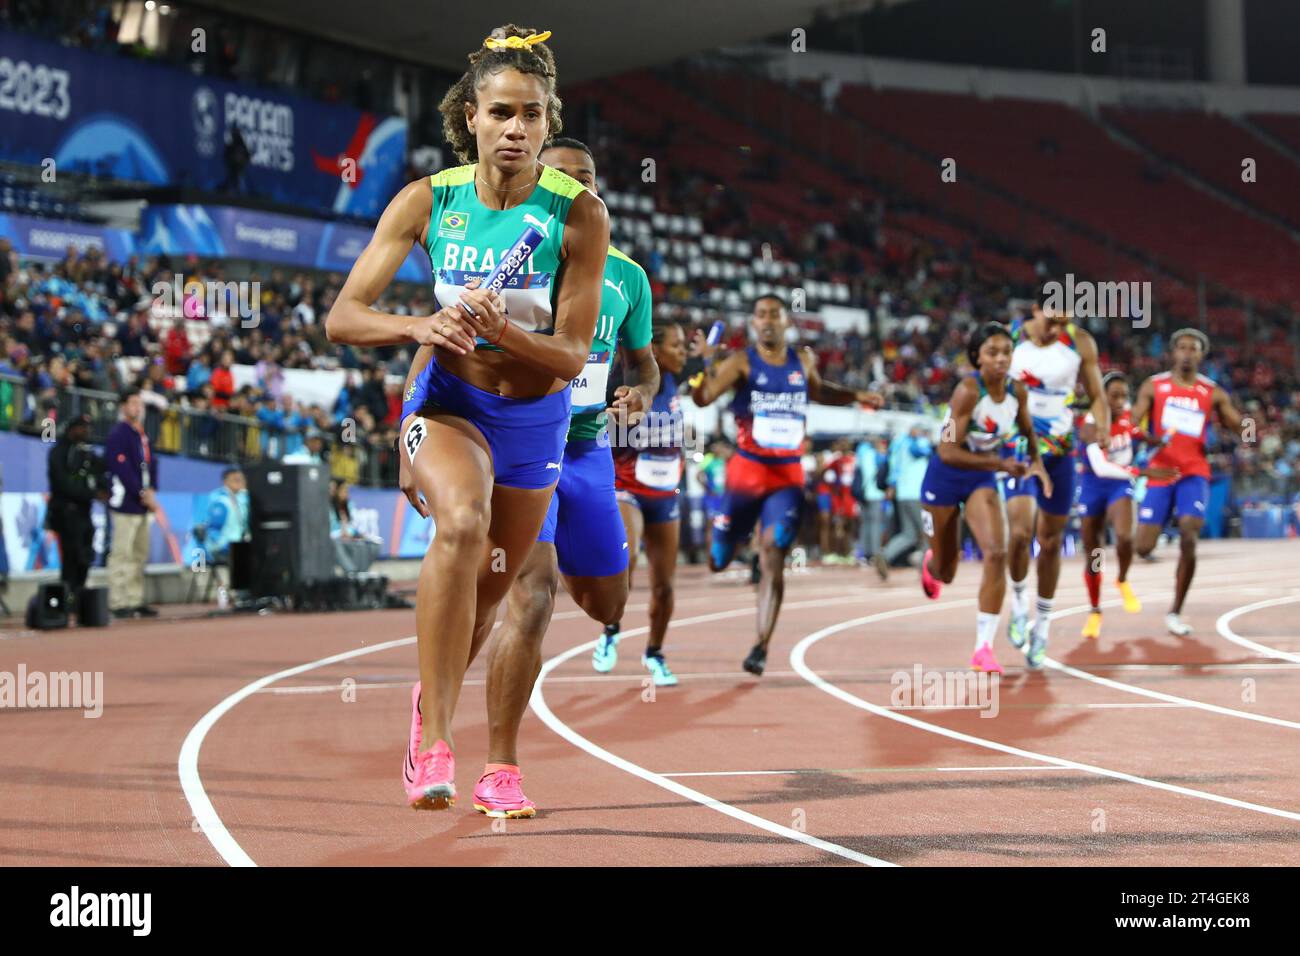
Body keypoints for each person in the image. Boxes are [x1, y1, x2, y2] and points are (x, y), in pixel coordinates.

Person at [326, 24, 609, 812]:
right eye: (502, 113)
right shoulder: (429, 200)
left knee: (493, 596)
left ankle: (463, 728)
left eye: (533, 115)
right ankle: (436, 745)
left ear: (548, 124)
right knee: (459, 522)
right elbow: (344, 317)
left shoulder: (578, 216)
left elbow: (573, 355)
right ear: (471, 118)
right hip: (454, 406)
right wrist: (423, 327)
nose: (517, 129)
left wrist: (505, 330)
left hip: (536, 422)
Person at [691, 294, 883, 675]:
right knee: (718, 561)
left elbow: (820, 390)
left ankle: (761, 645)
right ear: (753, 322)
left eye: (774, 315)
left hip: (787, 475)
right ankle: (733, 544)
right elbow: (703, 397)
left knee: (774, 553)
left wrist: (856, 395)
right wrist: (706, 362)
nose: (767, 322)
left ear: (785, 322)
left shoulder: (803, 359)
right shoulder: (742, 360)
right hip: (747, 472)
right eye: (760, 315)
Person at [917, 322, 1050, 673]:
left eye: (1007, 352)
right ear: (977, 357)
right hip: (944, 479)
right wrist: (999, 462)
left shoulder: (1017, 391)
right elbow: (946, 450)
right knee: (947, 572)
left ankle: (983, 649)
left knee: (997, 551)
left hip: (981, 478)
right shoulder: (966, 392)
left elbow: (1027, 429)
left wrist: (1037, 463)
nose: (1001, 359)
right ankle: (932, 564)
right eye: (993, 352)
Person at [1003, 302, 1107, 669]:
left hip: (1060, 450)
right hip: (1018, 445)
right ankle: (1017, 604)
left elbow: (1096, 393)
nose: (1060, 321)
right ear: (1036, 308)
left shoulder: (1079, 342)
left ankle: (1043, 626)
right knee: (1018, 533)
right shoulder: (1010, 337)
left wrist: (1104, 426)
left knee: (1050, 543)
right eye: (1054, 312)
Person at [1131, 329, 1245, 636]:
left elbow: (1239, 426)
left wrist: (1243, 427)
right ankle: (1156, 529)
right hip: (1160, 471)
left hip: (1194, 471)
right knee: (1142, 546)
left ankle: (1175, 611)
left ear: (1201, 355)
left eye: (1192, 349)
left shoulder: (1213, 392)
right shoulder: (1154, 386)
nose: (1186, 353)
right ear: (1172, 352)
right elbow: (1133, 420)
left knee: (1190, 533)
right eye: (1181, 347)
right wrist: (1137, 433)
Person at [612, 322, 687, 683]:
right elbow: (597, 427)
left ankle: (654, 653)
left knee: (665, 585)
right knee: (627, 557)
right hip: (627, 485)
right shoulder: (623, 381)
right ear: (655, 350)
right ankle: (611, 624)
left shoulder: (675, 379)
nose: (683, 353)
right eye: (678, 346)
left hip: (666, 492)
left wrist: (706, 353)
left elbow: (704, 368)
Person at [1076, 372, 1178, 640]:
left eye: (1124, 396)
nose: (1121, 401)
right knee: (1094, 552)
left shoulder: (1128, 414)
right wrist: (1141, 472)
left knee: (1124, 536)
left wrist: (1161, 439)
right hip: (1094, 485)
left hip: (1121, 486)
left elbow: (1137, 433)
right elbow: (1101, 467)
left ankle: (1121, 578)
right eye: (1114, 396)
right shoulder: (1090, 426)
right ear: (1102, 397)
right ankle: (1095, 610)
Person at [46, 413, 108, 619]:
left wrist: (103, 488)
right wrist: (91, 494)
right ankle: (65, 600)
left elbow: (102, 472)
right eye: (82, 427)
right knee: (71, 558)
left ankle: (79, 598)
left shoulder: (87, 454)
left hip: (84, 513)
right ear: (72, 429)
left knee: (85, 557)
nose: (86, 432)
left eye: (87, 428)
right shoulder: (58, 453)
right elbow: (63, 485)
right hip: (66, 513)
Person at [105, 389, 160, 619]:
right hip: (126, 503)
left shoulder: (142, 435)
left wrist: (152, 490)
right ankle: (118, 600)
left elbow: (151, 463)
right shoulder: (119, 433)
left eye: (140, 404)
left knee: (139, 554)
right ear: (123, 407)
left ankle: (135, 598)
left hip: (142, 505)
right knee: (122, 553)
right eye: (133, 403)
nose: (138, 408)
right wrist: (140, 492)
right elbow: (120, 467)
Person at [872, 424, 930, 580]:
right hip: (916, 493)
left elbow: (893, 466)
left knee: (908, 534)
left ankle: (885, 555)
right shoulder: (914, 443)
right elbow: (924, 451)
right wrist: (922, 439)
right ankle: (926, 569)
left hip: (903, 494)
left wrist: (892, 485)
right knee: (927, 533)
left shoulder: (898, 444)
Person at [853, 434, 889, 573]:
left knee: (865, 524)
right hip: (874, 494)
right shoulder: (875, 455)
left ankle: (864, 554)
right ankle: (875, 554)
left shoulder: (862, 452)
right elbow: (880, 472)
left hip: (862, 493)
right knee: (875, 525)